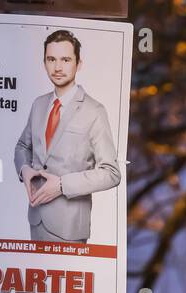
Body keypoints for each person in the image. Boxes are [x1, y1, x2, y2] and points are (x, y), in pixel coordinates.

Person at [14, 29, 120, 244]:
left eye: (65, 59)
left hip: (70, 229)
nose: (58, 67)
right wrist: (24, 169)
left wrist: (62, 185)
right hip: (36, 221)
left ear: (78, 63)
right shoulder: (39, 104)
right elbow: (22, 146)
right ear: (44, 62)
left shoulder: (94, 110)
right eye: (51, 59)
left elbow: (111, 173)